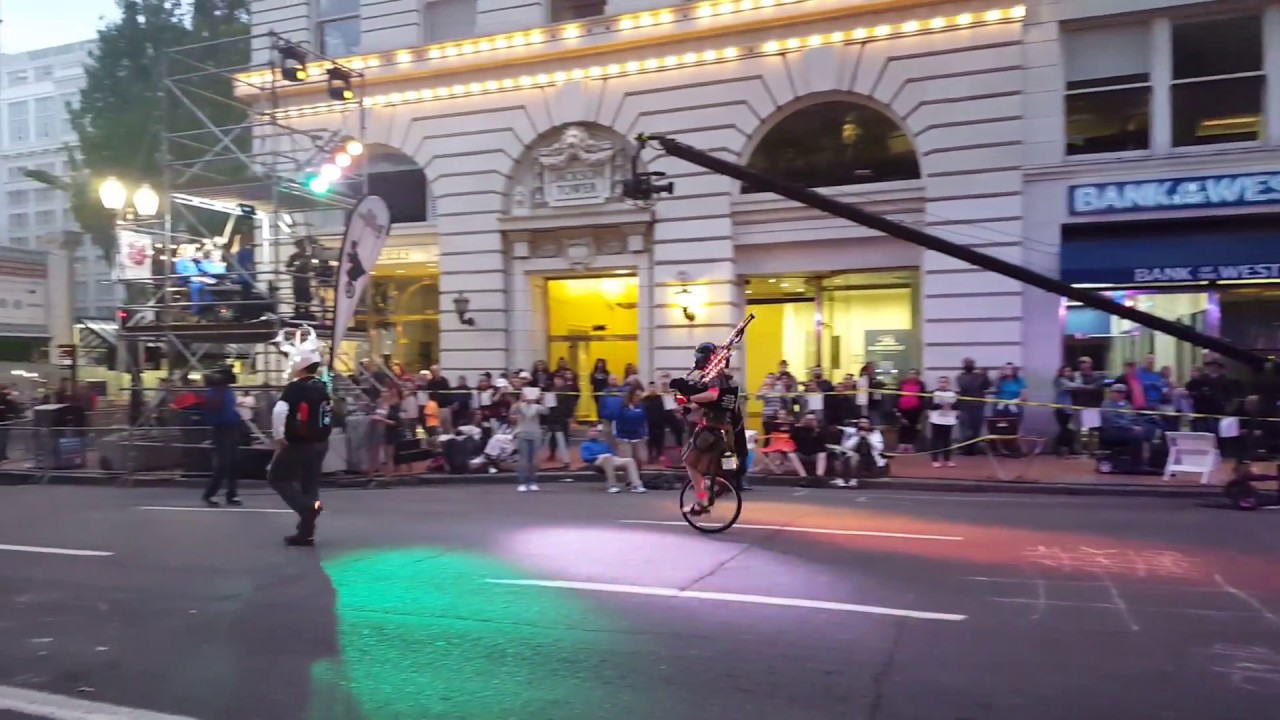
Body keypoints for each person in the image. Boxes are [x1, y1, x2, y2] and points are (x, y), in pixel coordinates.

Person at [269, 350, 333, 546]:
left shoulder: (295, 388)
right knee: (310, 485)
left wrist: (279, 436)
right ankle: (306, 532)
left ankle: (306, 508)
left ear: (300, 367)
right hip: (321, 442)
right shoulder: (322, 386)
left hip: (299, 442)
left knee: (277, 477)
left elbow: (280, 411)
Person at [670, 342, 740, 515]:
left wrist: (687, 397)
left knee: (689, 461)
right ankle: (712, 485)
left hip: (712, 430)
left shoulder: (715, 376)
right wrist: (690, 407)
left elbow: (712, 395)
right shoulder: (724, 376)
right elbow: (715, 403)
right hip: (725, 430)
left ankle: (702, 500)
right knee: (705, 465)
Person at [201, 365, 243, 507]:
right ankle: (210, 494)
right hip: (221, 429)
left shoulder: (226, 391)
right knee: (223, 464)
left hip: (231, 428)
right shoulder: (215, 392)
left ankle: (232, 494)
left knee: (234, 463)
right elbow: (213, 410)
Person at [580, 426, 645, 493]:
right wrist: (599, 456)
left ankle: (636, 485)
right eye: (592, 431)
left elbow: (613, 454)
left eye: (596, 431)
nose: (595, 433)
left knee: (629, 460)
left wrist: (615, 458)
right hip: (597, 460)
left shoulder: (604, 444)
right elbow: (586, 458)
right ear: (587, 433)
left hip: (611, 459)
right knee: (607, 458)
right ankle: (612, 485)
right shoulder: (585, 445)